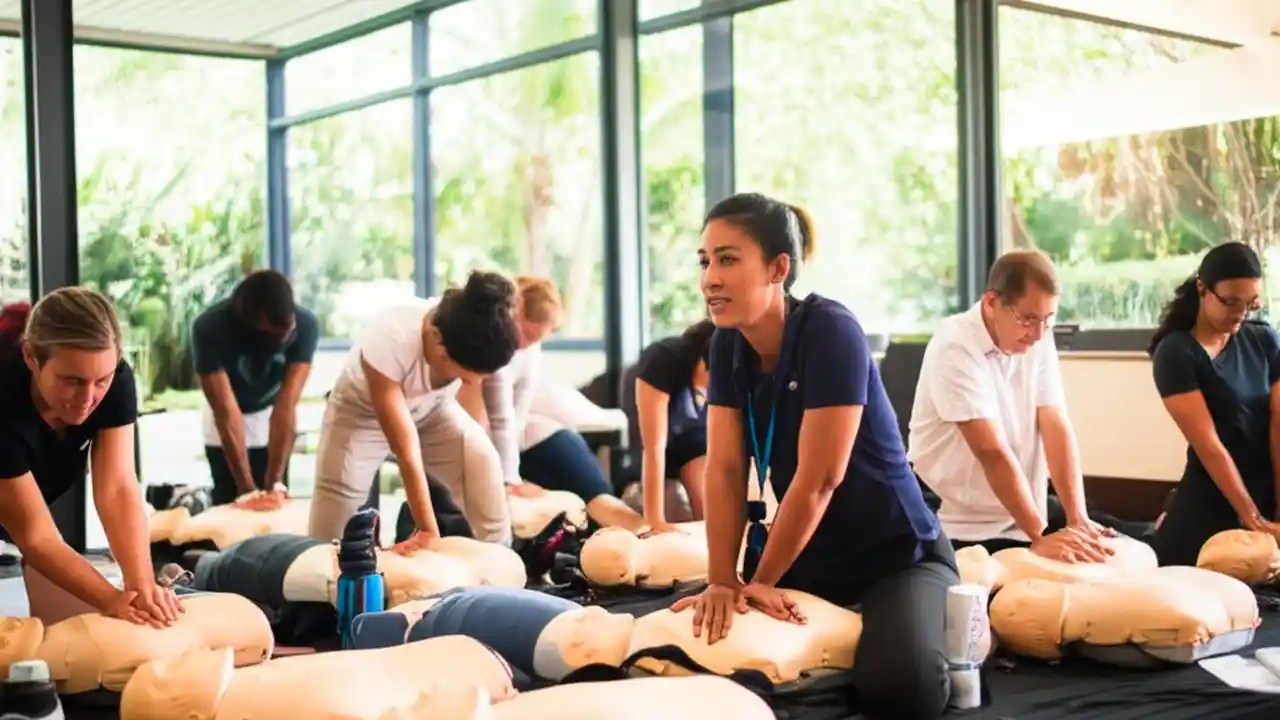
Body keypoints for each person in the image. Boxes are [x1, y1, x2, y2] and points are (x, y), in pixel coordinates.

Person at [673, 193, 956, 720]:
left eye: (728, 259)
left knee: (902, 690)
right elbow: (727, 470)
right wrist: (721, 579)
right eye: (705, 261)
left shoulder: (831, 331)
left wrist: (760, 583)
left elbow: (820, 479)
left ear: (778, 268)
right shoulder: (727, 344)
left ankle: (957, 634)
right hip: (807, 555)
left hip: (895, 556)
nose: (710, 277)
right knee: (708, 651)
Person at [908, 250, 1115, 562]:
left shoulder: (1038, 333)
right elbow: (991, 450)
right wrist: (1041, 536)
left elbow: (1055, 423)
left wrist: (1078, 519)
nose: (1038, 334)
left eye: (1049, 319)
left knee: (1115, 535)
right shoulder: (955, 345)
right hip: (956, 522)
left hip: (1020, 514)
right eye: (1028, 318)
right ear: (992, 303)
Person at [0, 288, 183, 627]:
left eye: (102, 379)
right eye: (72, 381)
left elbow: (117, 489)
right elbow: (35, 536)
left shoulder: (115, 385)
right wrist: (113, 600)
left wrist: (141, 586)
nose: (88, 397)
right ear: (30, 357)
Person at [309, 271, 520, 549]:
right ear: (436, 341)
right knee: (334, 532)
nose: (472, 383)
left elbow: (489, 417)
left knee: (481, 460)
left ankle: (501, 563)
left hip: (432, 409)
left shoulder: (473, 326)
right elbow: (406, 451)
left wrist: (508, 475)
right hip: (361, 417)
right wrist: (427, 530)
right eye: (466, 376)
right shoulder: (391, 337)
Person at [459, 276, 646, 532]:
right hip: (494, 444)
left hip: (531, 436)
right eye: (525, 334)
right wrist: (507, 479)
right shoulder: (492, 345)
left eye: (537, 339)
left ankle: (648, 536)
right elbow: (494, 420)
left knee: (600, 499)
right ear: (513, 315)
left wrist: (510, 477)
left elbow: (517, 416)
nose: (526, 345)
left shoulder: (529, 353)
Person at [1147, 242, 1280, 566]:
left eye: (1250, 304)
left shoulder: (1264, 339)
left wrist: (1276, 507)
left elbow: (1278, 423)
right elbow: (1209, 446)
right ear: (1202, 289)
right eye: (1230, 302)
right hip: (1209, 504)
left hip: (1265, 493)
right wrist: (1251, 516)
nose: (1240, 313)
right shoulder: (1176, 353)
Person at [192, 270, 319, 505]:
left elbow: (287, 404)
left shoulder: (306, 325)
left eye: (289, 330)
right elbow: (226, 413)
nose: (287, 336)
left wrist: (274, 484)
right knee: (232, 502)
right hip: (226, 417)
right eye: (278, 333)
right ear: (256, 323)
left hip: (270, 415)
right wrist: (248, 491)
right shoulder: (210, 328)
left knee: (275, 500)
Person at [625, 319, 715, 531]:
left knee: (703, 477)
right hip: (654, 436)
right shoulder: (663, 359)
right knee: (668, 508)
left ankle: (708, 539)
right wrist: (655, 521)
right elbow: (653, 448)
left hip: (692, 442)